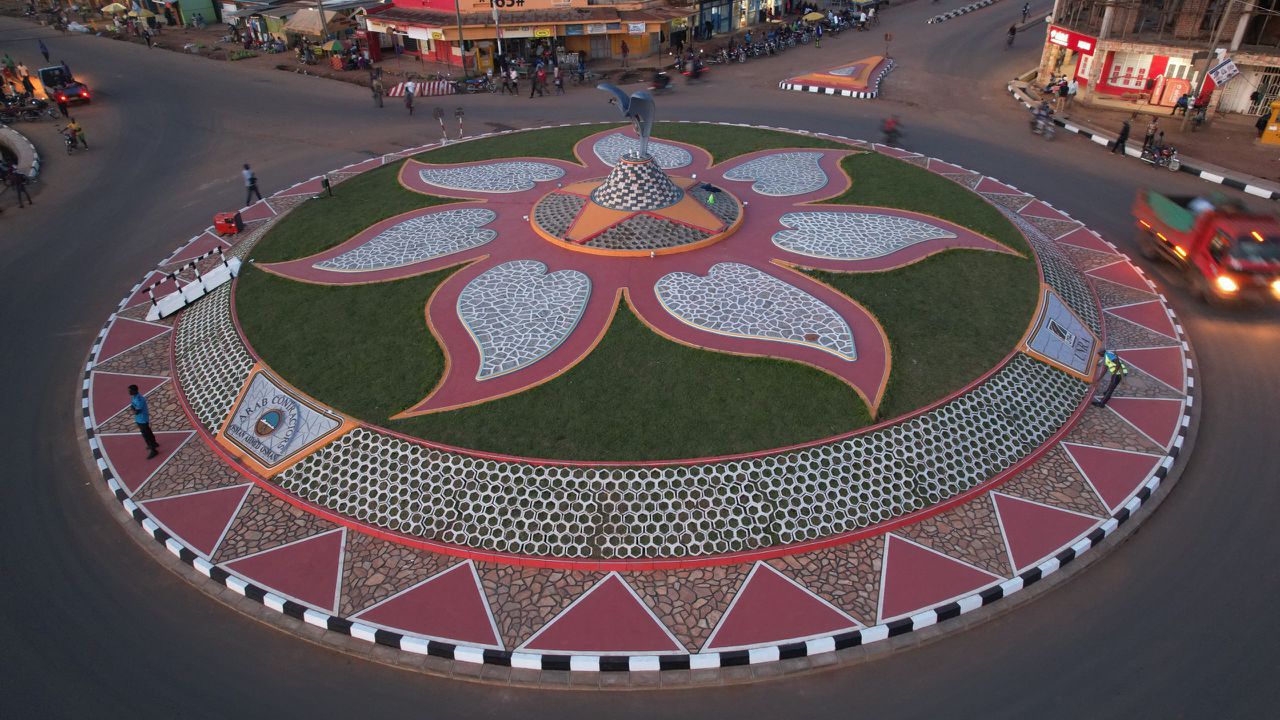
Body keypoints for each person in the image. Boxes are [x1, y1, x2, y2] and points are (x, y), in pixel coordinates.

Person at [128, 385, 160, 459]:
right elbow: (133, 407)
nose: (129, 392)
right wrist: (133, 408)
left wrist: (133, 408)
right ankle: (154, 443)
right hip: (139, 419)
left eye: (130, 390)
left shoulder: (139, 400)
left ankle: (153, 450)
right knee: (148, 432)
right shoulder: (134, 397)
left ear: (135, 390)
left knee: (146, 435)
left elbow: (136, 411)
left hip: (142, 419)